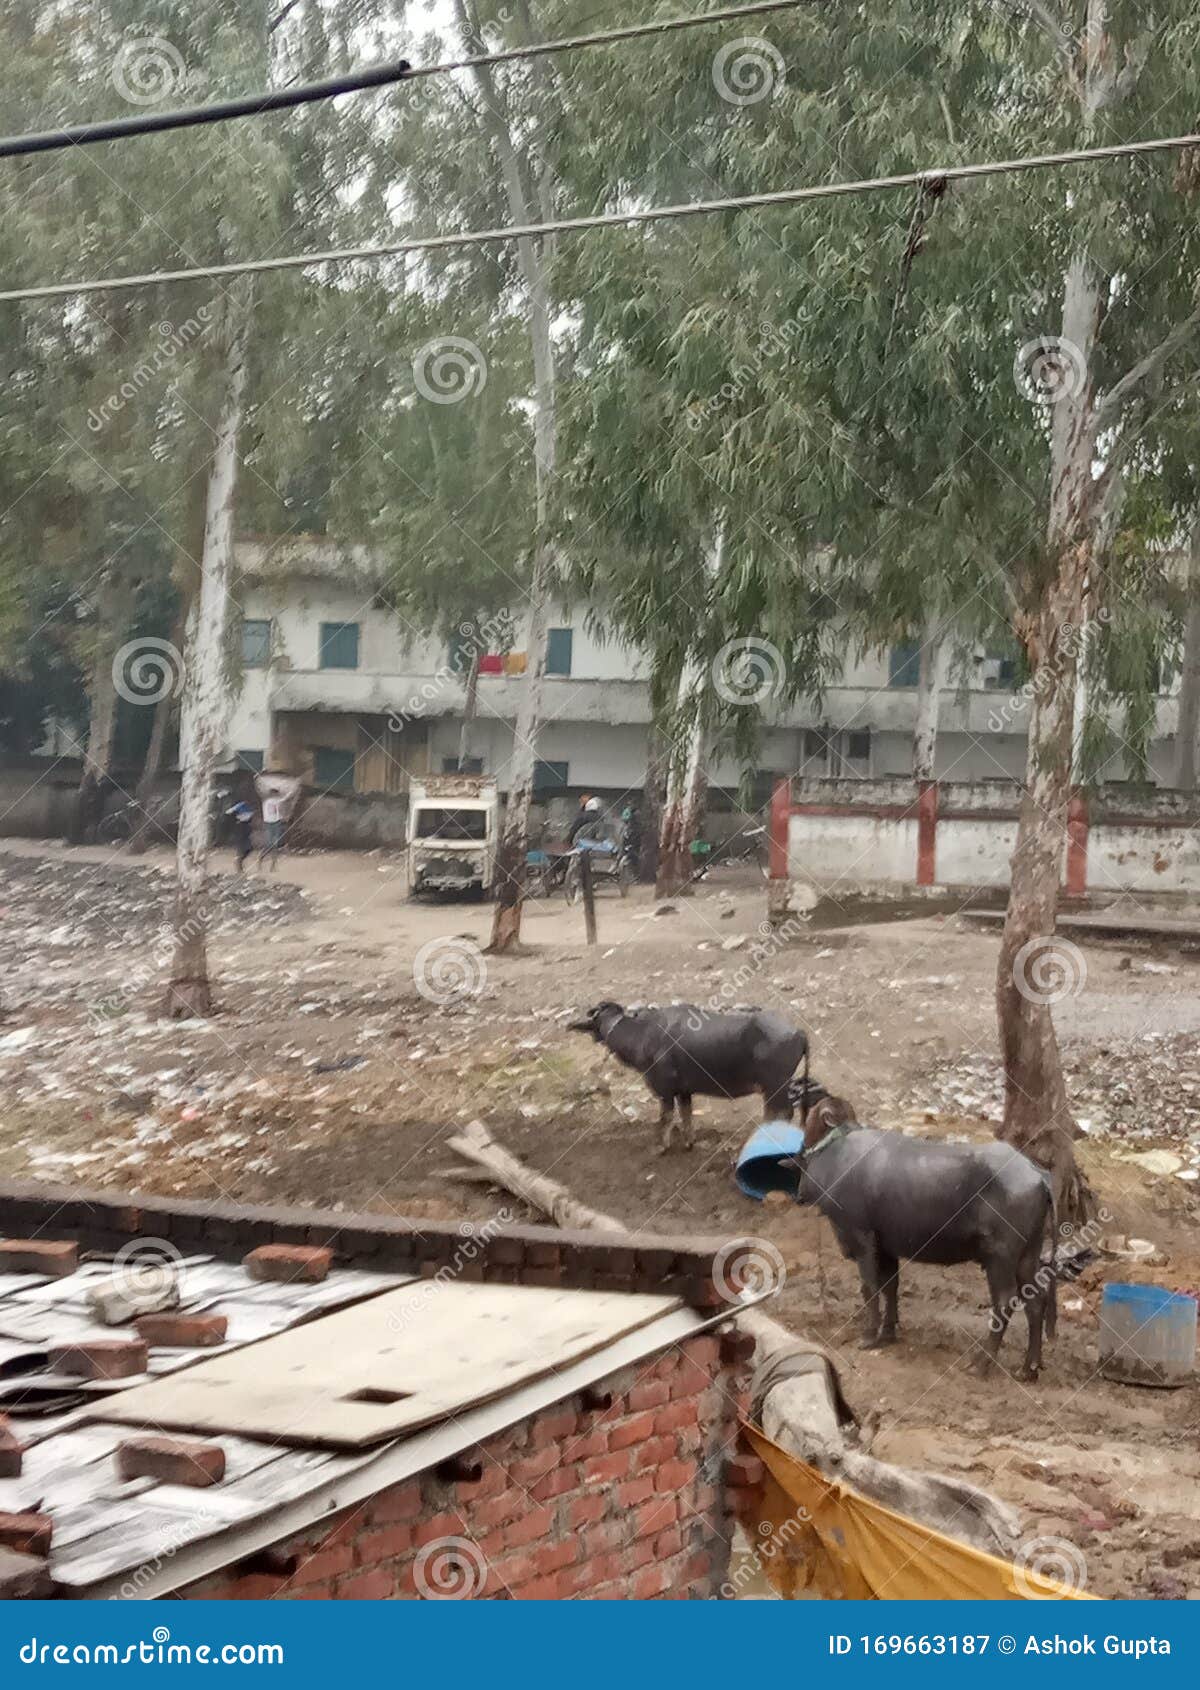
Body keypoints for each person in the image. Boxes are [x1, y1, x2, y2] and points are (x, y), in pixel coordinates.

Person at [259, 792, 285, 872]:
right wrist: (283, 818)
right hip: (276, 822)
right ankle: (272, 866)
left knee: (270, 844)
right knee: (275, 845)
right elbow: (280, 811)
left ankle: (261, 860)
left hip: (268, 823)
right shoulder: (278, 801)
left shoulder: (265, 802)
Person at [227, 799, 254, 873]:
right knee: (242, 848)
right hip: (241, 828)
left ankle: (239, 862)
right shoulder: (240, 806)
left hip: (245, 828)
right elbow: (229, 812)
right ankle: (239, 865)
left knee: (249, 848)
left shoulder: (248, 807)